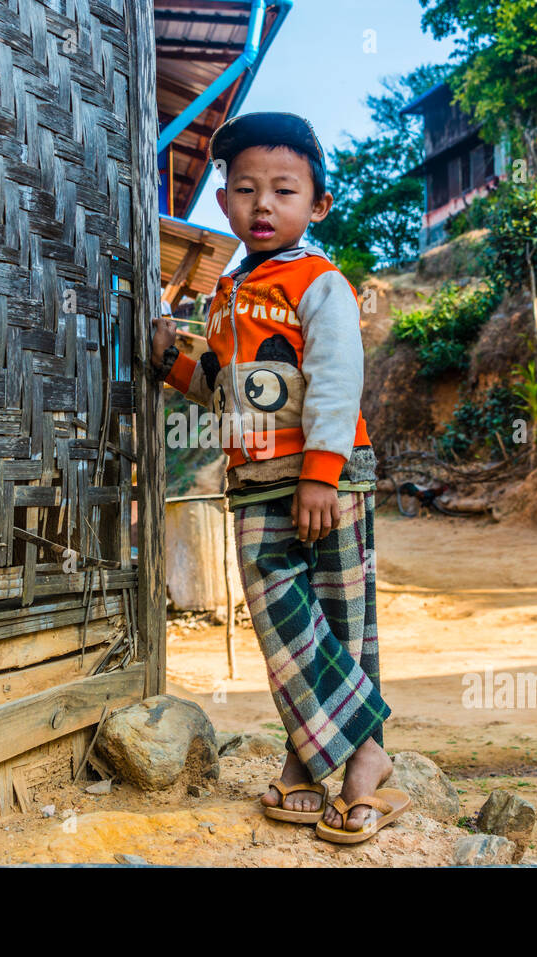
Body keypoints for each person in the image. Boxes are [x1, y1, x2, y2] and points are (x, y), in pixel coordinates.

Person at [149, 113, 408, 843]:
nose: (263, 205)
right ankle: (360, 752)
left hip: (328, 477)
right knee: (285, 624)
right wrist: (172, 358)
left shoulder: (320, 282)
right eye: (244, 189)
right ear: (224, 201)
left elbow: (335, 377)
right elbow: (222, 383)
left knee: (340, 618)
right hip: (257, 481)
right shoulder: (228, 293)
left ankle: (325, 763)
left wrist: (321, 473)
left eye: (284, 190)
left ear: (316, 206)